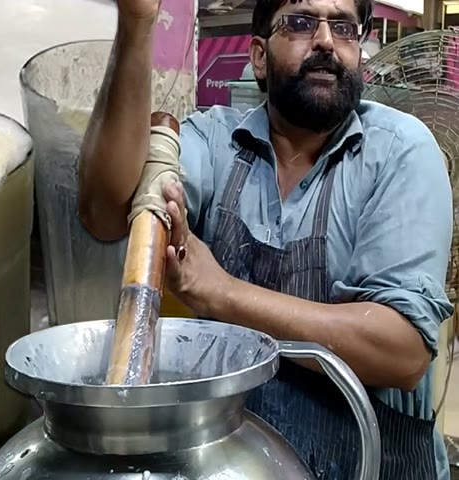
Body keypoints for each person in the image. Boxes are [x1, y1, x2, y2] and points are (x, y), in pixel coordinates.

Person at [77, 0, 454, 478]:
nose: (324, 41)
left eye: (343, 28)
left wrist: (221, 292)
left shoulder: (400, 151)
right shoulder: (216, 141)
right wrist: (136, 23)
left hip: (374, 465)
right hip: (244, 465)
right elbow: (104, 212)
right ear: (258, 56)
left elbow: (400, 352)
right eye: (300, 22)